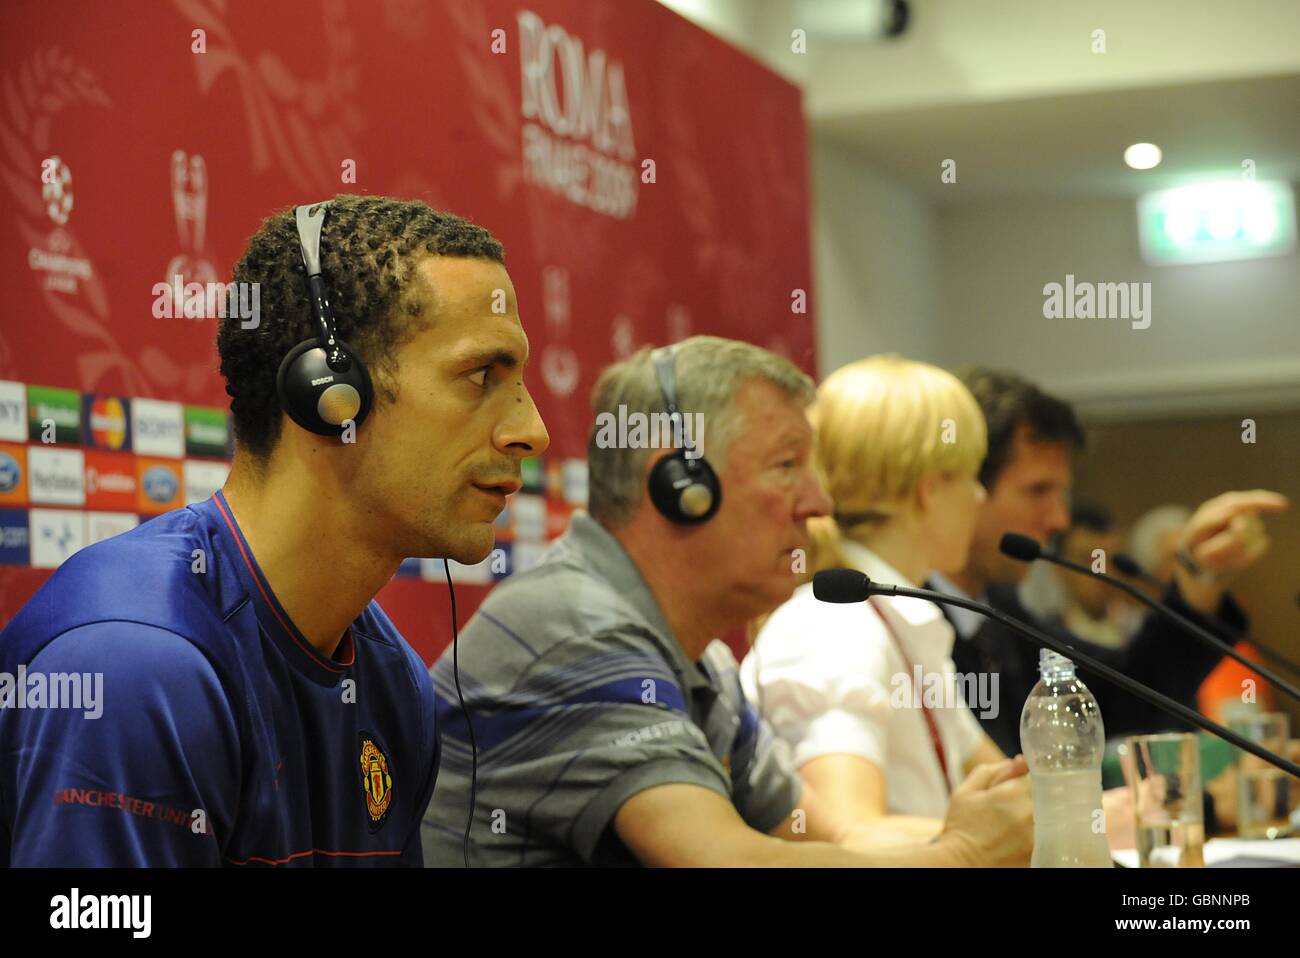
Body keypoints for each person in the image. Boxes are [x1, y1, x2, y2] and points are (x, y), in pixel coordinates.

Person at [0, 195, 548, 866]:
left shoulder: (392, 681)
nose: (532, 430)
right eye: (482, 376)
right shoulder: (135, 667)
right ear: (330, 390)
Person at [421, 337, 1032, 867]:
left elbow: (826, 836)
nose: (819, 504)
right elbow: (727, 859)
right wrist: (967, 855)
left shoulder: (703, 661)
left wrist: (1016, 827)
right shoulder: (573, 629)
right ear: (682, 486)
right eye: (787, 465)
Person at [933, 368, 1287, 756]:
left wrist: (1197, 575)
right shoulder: (902, 615)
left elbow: (1127, 693)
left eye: (1060, 493)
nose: (1059, 519)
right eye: (1037, 490)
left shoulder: (999, 611)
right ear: (963, 486)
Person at [741, 356, 1006, 836]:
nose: (980, 497)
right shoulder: (837, 627)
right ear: (929, 489)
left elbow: (997, 785)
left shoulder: (898, 616)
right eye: (971, 474)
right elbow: (851, 836)